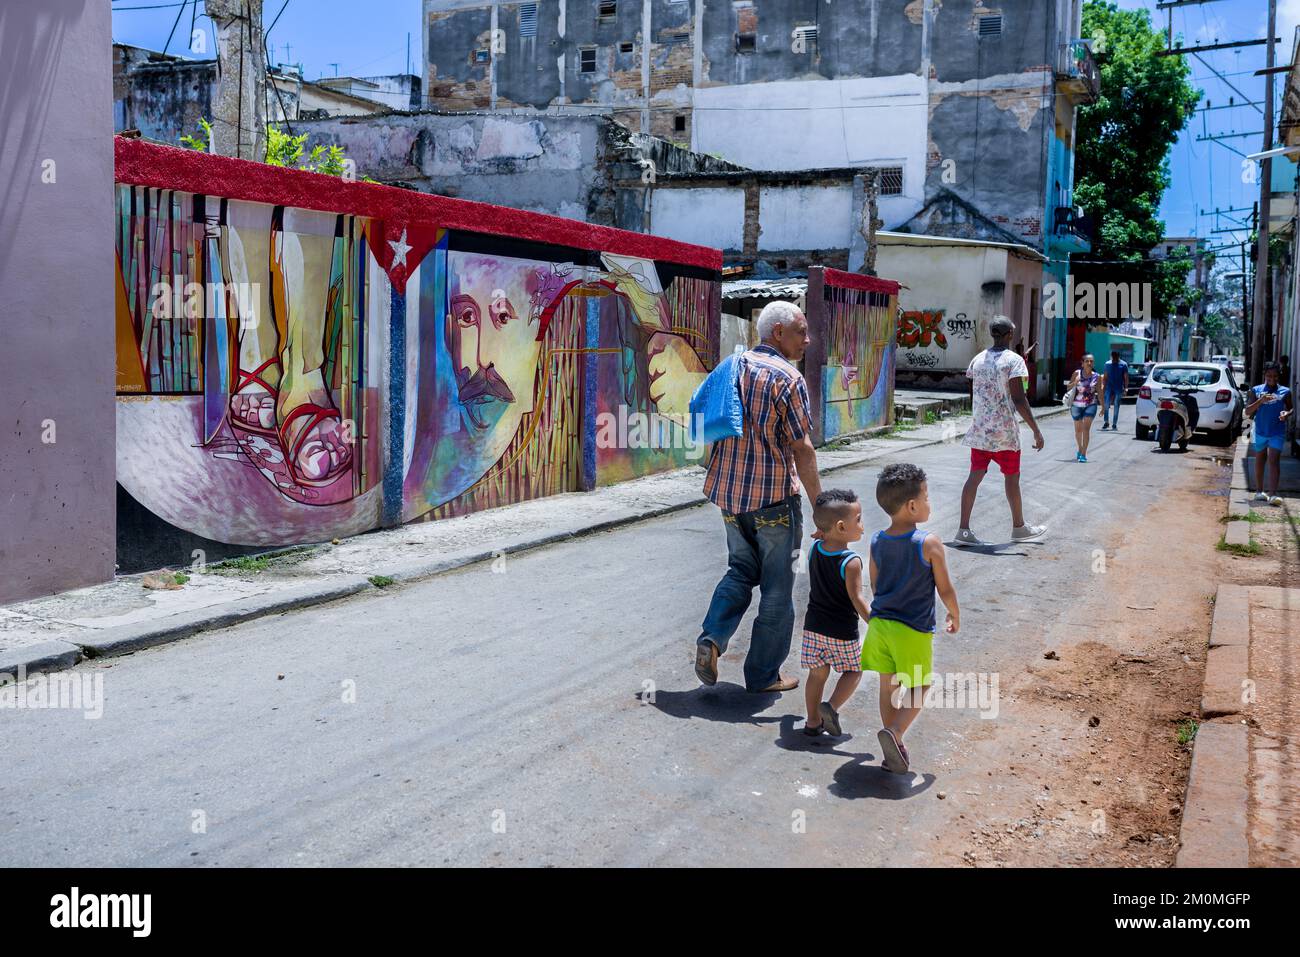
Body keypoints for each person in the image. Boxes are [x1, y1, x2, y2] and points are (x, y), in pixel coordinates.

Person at [695, 300, 822, 693]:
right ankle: (764, 675)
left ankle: (712, 638)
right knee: (778, 588)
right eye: (801, 331)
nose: (808, 339)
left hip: (729, 497)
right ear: (778, 333)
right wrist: (821, 508)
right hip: (773, 502)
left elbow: (704, 418)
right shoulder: (787, 378)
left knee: (740, 570)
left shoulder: (729, 367)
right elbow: (802, 448)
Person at [863, 464, 960, 773]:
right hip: (912, 629)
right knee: (920, 685)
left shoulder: (877, 541)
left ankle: (894, 744)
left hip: (879, 627)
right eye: (927, 497)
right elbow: (944, 587)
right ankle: (895, 733)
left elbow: (875, 585)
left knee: (887, 686)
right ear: (913, 506)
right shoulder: (929, 543)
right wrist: (954, 612)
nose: (931, 503)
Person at [955, 315, 1047, 546]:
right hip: (1004, 433)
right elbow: (1018, 398)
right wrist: (1036, 430)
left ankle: (963, 530)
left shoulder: (977, 360)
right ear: (1009, 335)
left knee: (974, 478)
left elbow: (973, 394)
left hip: (981, 431)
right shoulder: (1014, 361)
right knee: (1012, 479)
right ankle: (1019, 528)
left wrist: (979, 418)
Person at [800, 489, 870, 737]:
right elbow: (857, 599)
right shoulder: (851, 561)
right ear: (841, 527)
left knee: (817, 674)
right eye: (859, 519)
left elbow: (822, 538)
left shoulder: (815, 549)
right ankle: (830, 706)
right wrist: (875, 622)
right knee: (855, 670)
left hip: (814, 627)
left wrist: (823, 531)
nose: (862, 524)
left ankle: (811, 722)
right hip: (842, 631)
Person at [1245, 361, 1293, 507]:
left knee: (1274, 460)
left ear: (1279, 376)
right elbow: (1248, 411)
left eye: (1275, 376)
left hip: (1277, 431)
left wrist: (1286, 413)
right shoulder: (1256, 390)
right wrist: (1261, 400)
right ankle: (1259, 491)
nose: (1272, 379)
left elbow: (1290, 409)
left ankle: (1272, 494)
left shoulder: (1285, 391)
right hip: (1260, 430)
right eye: (1269, 376)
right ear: (1264, 375)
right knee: (1260, 459)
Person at [1067, 354, 1104, 462]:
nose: (1089, 363)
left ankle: (1083, 454)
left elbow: (1100, 392)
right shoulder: (1076, 373)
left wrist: (1103, 407)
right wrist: (1075, 382)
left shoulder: (1097, 376)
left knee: (1086, 429)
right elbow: (1068, 387)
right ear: (1082, 363)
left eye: (1091, 361)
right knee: (1078, 430)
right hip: (1076, 405)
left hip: (1090, 405)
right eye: (1087, 361)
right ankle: (1080, 448)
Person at [1100, 350, 1129, 432]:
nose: (1114, 359)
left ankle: (1114, 423)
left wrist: (1126, 388)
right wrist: (1103, 387)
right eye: (1113, 357)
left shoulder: (1123, 365)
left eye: (1115, 357)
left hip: (1118, 387)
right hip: (1109, 387)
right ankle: (1106, 422)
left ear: (1118, 356)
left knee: (1116, 405)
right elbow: (1105, 377)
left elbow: (1126, 377)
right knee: (1106, 404)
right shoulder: (1107, 364)